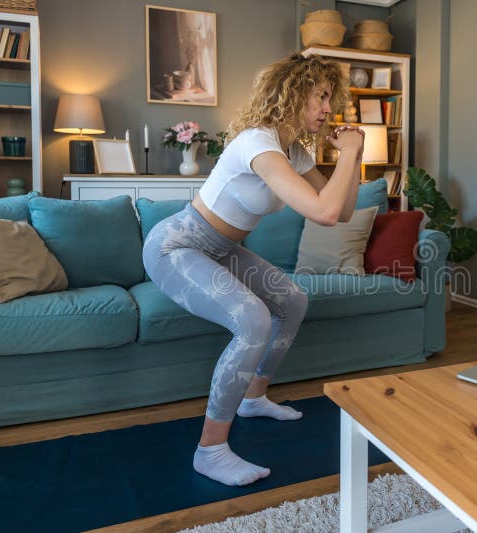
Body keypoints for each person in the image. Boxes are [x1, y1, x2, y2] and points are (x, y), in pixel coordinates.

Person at [142, 54, 364, 486]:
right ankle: (210, 451)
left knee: (293, 301)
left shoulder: (293, 150)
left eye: (329, 99)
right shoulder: (256, 142)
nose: (326, 108)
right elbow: (323, 211)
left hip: (222, 248)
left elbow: (344, 210)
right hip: (177, 246)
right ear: (293, 92)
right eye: (320, 96)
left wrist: (354, 157)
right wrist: (350, 150)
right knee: (252, 319)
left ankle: (254, 397)